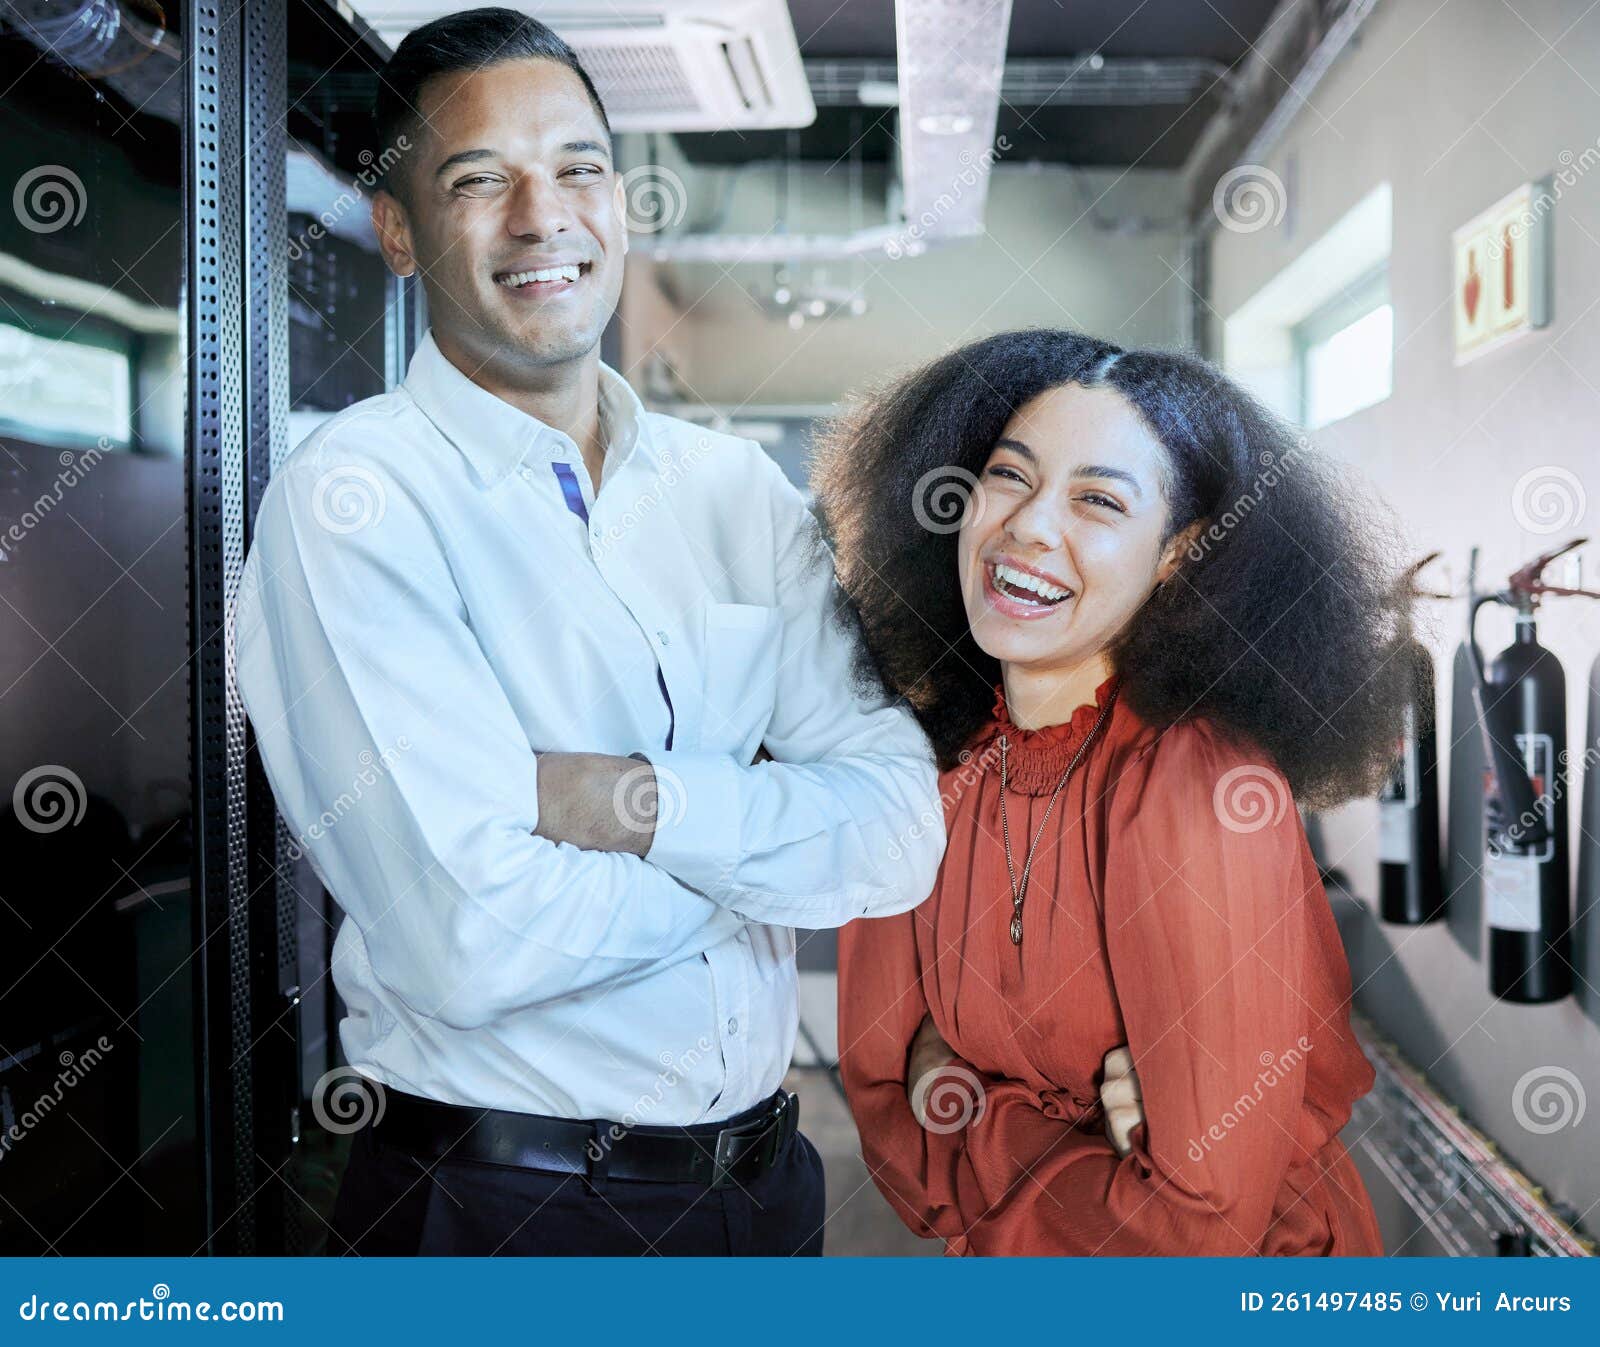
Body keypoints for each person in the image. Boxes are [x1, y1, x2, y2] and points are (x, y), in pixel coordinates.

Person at [234, 7, 946, 1257]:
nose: (541, 216)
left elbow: (895, 836)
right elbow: (473, 936)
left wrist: (630, 805)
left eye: (578, 168)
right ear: (398, 231)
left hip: (764, 1195)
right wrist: (759, 859)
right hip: (507, 1210)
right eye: (477, 179)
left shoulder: (735, 493)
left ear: (621, 200)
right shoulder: (356, 504)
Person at [815, 328, 1411, 1256]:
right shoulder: (923, 763)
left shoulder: (1198, 786)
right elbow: (890, 1120)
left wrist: (977, 1109)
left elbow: (1192, 1234)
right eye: (1010, 476)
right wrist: (1091, 1141)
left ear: (1177, 552)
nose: (1029, 526)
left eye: (1097, 499)